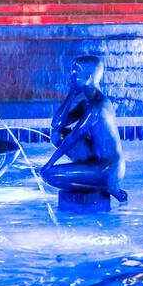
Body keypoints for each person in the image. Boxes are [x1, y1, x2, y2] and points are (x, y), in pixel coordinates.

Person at [42, 56, 128, 203]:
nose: (70, 77)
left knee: (49, 175)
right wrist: (71, 94)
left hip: (108, 168)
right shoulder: (86, 103)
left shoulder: (97, 107)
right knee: (57, 135)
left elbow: (73, 137)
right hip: (95, 158)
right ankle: (94, 179)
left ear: (88, 78)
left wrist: (48, 164)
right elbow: (56, 124)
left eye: (75, 74)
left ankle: (106, 186)